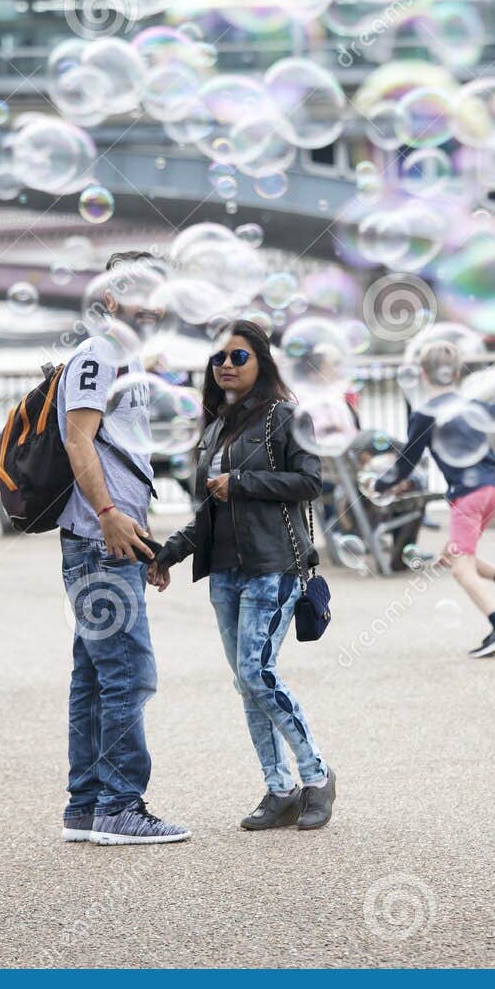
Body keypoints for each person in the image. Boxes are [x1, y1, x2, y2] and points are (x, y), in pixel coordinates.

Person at [149, 321, 337, 831]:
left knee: (258, 673)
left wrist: (243, 482)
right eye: (218, 359)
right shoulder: (212, 429)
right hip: (226, 573)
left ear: (262, 363)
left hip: (273, 566)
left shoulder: (285, 416)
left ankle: (317, 776)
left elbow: (310, 481)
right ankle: (279, 790)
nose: (226, 365)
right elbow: (209, 508)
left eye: (238, 356)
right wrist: (168, 553)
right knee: (245, 682)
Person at [57, 251, 189, 846]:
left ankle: (86, 805)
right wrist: (110, 517)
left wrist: (140, 539)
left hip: (113, 538)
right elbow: (78, 440)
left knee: (95, 673)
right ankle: (120, 805)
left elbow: (121, 454)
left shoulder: (127, 360)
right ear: (110, 299)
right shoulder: (98, 356)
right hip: (95, 538)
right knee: (130, 674)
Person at [371, 340, 495, 657]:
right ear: (457, 372)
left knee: (460, 569)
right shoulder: (473, 406)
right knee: (452, 555)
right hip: (493, 492)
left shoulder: (423, 416)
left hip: (468, 497)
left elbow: (405, 465)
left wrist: (379, 486)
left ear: (421, 374)